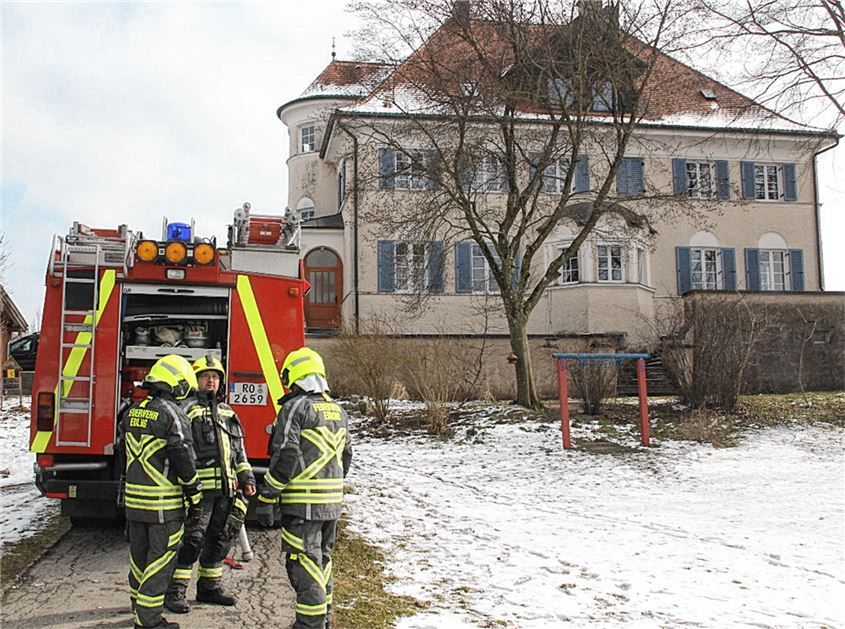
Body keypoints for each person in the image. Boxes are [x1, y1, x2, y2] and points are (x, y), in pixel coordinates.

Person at [256, 347, 353, 629]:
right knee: (322, 561)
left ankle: (309, 624)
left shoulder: (294, 408)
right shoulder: (339, 410)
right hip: (332, 503)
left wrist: (267, 495)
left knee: (303, 563)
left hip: (303, 504)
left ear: (294, 377)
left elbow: (285, 454)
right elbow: (346, 456)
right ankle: (323, 620)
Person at [164, 355, 256, 613]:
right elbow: (179, 450)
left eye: (215, 377)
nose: (211, 381)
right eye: (206, 376)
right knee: (192, 540)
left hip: (227, 491)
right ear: (196, 380)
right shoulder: (187, 410)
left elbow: (239, 451)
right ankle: (175, 591)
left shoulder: (228, 412)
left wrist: (247, 477)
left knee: (221, 539)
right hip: (198, 493)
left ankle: (209, 587)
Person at [119, 354, 202, 629]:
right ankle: (149, 620)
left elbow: (122, 453)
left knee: (139, 559)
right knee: (161, 559)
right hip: (163, 506)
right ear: (177, 385)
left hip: (134, 504)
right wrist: (195, 495)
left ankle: (137, 607)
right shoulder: (173, 415)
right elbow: (183, 459)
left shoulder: (132, 412)